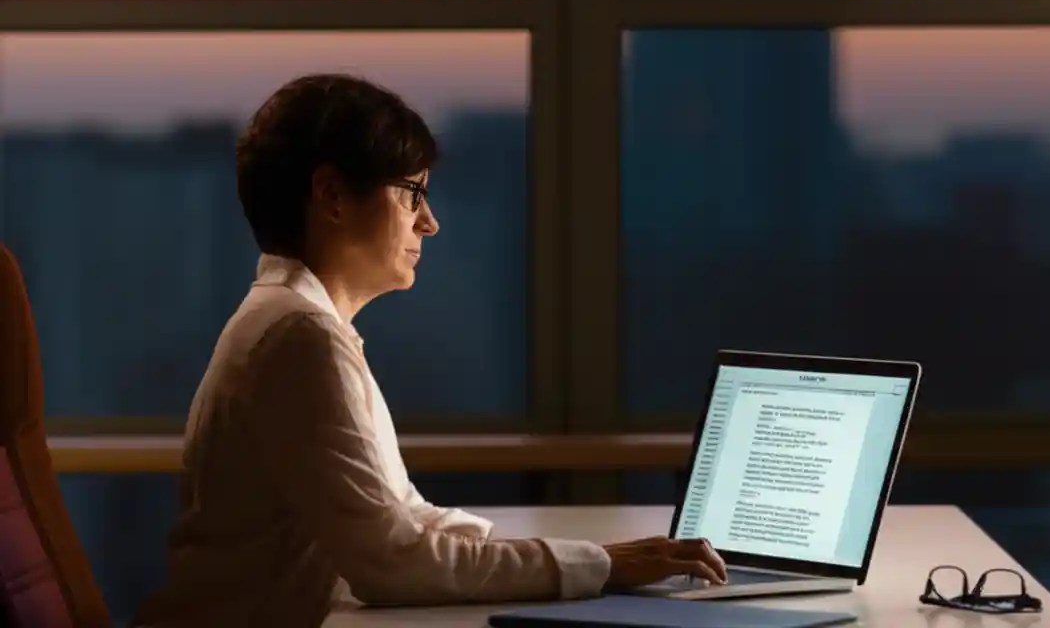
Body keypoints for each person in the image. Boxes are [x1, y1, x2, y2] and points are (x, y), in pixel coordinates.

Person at [134, 74, 726, 627]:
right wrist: (603, 565)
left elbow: (402, 517)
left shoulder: (295, 319)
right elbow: (393, 562)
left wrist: (575, 556)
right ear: (332, 196)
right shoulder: (298, 338)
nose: (430, 224)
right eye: (413, 195)